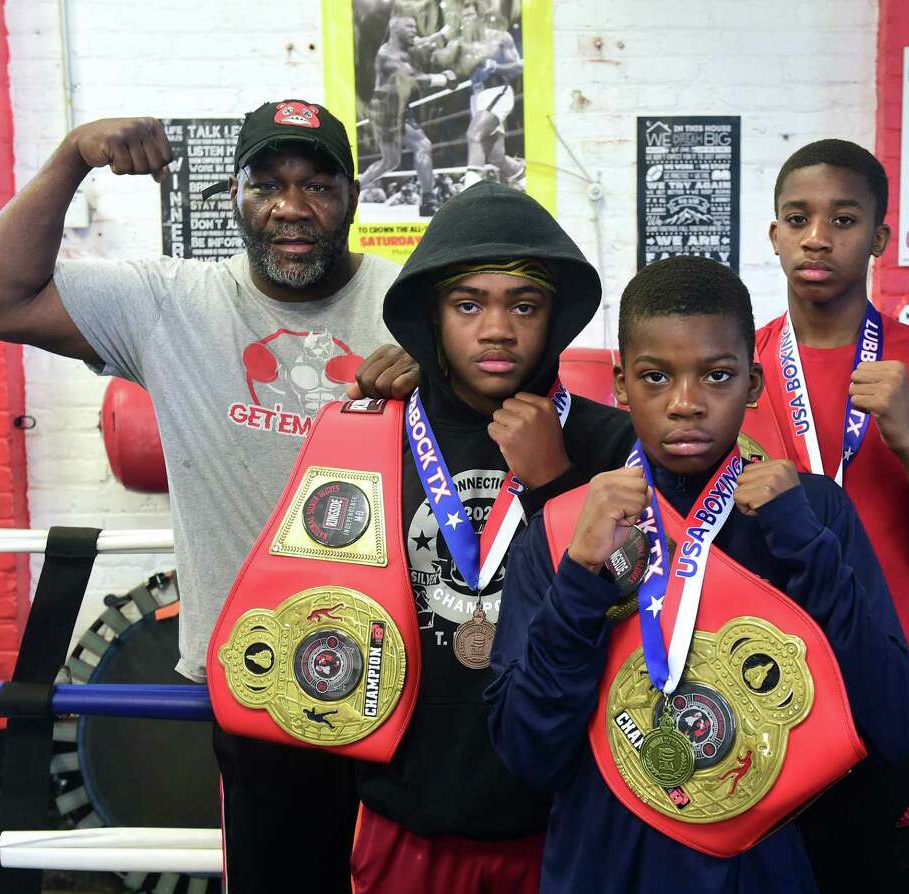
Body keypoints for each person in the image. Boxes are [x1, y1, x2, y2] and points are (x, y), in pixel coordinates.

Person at [0, 99, 418, 892]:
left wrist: (439, 365)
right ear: (232, 195)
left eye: (318, 186)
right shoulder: (172, 303)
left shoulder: (416, 303)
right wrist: (71, 156)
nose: (292, 209)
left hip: (408, 670)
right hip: (260, 674)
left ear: (352, 199)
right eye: (266, 184)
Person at [485, 256, 909, 893]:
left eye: (716, 376)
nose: (686, 404)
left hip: (771, 869)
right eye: (657, 377)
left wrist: (805, 547)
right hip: (606, 870)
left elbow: (894, 725)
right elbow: (529, 754)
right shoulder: (570, 527)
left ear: (752, 382)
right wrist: (581, 580)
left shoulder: (813, 512)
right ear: (622, 385)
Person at [345, 180, 633, 893]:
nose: (497, 328)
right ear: (431, 318)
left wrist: (558, 486)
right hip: (403, 810)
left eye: (523, 305)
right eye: (468, 304)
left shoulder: (611, 440)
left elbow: (641, 597)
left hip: (561, 814)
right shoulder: (375, 430)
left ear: (555, 318)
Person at [758, 139, 909, 892]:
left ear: (881, 239)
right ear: (774, 234)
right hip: (750, 705)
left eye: (844, 218)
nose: (817, 237)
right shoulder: (731, 367)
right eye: (797, 218)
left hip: (874, 710)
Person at [359, 15, 456, 217]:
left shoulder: (405, 45)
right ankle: (428, 200)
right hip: (385, 109)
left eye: (414, 26)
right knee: (412, 150)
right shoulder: (388, 55)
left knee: (392, 161)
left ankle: (355, 187)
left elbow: (427, 41)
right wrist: (443, 79)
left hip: (400, 107)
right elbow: (413, 80)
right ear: (395, 29)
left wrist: (448, 29)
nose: (414, 30)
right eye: (409, 27)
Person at [432, 0, 526, 188]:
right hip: (476, 97)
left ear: (481, 15)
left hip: (497, 91)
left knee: (474, 134)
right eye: (463, 17)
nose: (466, 20)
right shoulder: (461, 44)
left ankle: (471, 187)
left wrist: (496, 67)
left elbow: (518, 66)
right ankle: (521, 175)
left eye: (470, 15)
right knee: (495, 156)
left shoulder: (500, 38)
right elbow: (447, 64)